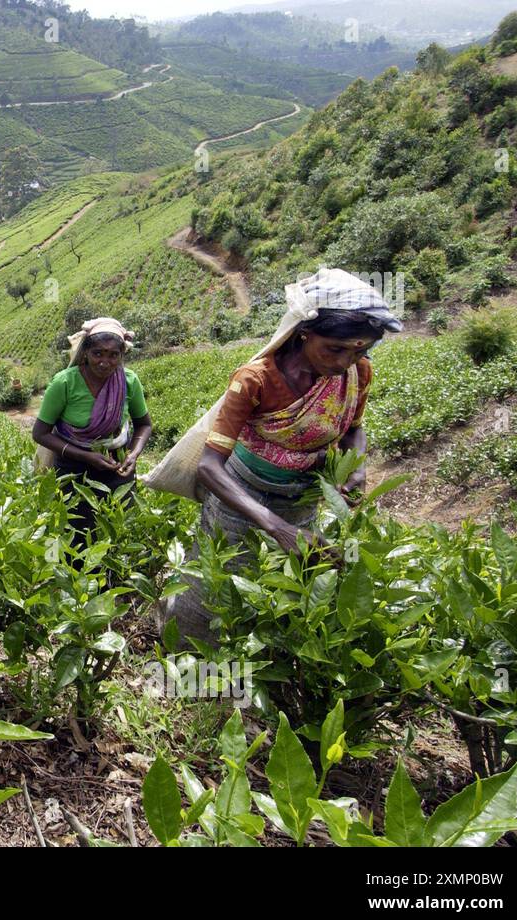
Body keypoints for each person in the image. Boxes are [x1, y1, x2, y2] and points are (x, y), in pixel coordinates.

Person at [157, 268, 403, 645]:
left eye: (359, 350)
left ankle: (258, 661)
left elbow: (353, 428)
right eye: (335, 349)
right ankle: (186, 657)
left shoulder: (357, 374)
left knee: (280, 585)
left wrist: (357, 467)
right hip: (240, 501)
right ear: (305, 331)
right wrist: (278, 528)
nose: (344, 362)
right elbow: (209, 467)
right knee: (216, 585)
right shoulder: (256, 379)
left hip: (302, 501)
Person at [32, 317, 153, 552]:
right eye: (98, 353)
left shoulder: (129, 381)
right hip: (73, 469)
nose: (105, 362)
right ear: (85, 352)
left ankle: (112, 583)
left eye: (113, 355)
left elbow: (144, 424)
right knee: (77, 534)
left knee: (116, 531)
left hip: (117, 466)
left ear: (121, 356)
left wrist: (134, 454)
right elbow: (41, 433)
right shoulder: (65, 383)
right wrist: (87, 457)